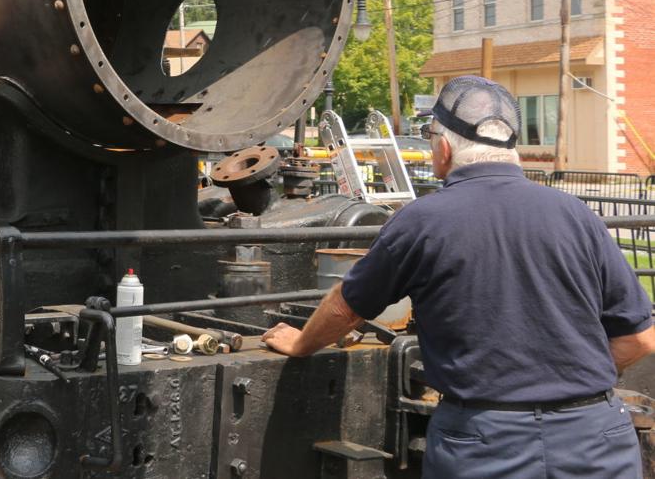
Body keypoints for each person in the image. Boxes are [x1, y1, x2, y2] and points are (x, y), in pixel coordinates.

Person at [263, 76, 655, 479]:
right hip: (597, 436)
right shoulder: (578, 215)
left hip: (486, 441)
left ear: (444, 147)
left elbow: (346, 307)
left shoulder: (421, 221)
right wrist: (574, 386)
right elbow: (640, 338)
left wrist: (300, 343)